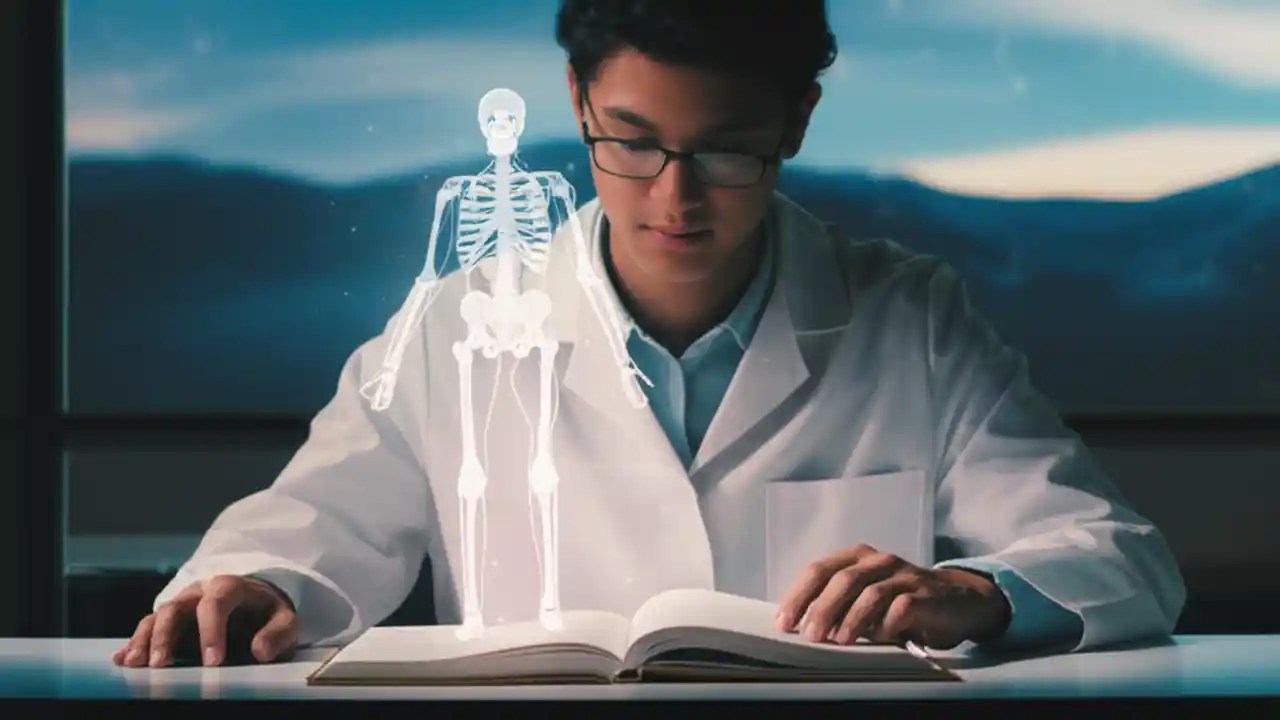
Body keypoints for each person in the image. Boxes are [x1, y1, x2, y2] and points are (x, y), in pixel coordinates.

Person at [113, 0, 1185, 669]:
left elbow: (1119, 560)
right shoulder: (457, 327)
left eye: (724, 151)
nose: (673, 199)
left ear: (796, 120)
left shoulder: (909, 318)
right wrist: (251, 583)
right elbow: (302, 528)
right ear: (576, 98)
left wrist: (981, 593)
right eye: (627, 143)